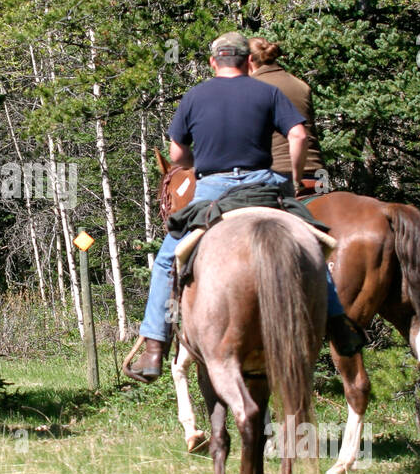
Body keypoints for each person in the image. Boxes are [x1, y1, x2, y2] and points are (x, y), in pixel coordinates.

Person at [123, 32, 366, 383]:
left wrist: (196, 161)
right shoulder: (268, 92)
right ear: (247, 61)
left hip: (214, 190)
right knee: (313, 242)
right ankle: (338, 325)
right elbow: (297, 135)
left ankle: (154, 347)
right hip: (265, 185)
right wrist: (294, 178)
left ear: (213, 63)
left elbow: (177, 154)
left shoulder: (195, 95)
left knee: (166, 260)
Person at [247, 37, 325, 192]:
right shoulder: (301, 85)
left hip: (276, 174)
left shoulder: (250, 88)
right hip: (318, 174)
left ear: (248, 60)